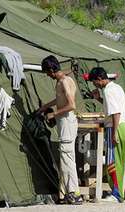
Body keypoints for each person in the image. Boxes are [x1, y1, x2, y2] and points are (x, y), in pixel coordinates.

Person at [38, 55, 82, 204]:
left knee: (68, 159)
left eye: (47, 72)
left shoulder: (64, 82)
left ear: (51, 69)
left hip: (67, 123)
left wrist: (53, 113)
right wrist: (44, 107)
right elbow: (60, 99)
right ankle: (64, 194)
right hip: (64, 123)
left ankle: (74, 193)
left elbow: (71, 105)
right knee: (64, 159)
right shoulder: (61, 81)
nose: (47, 75)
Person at [89, 67, 125, 203]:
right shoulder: (116, 87)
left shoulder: (107, 90)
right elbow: (113, 107)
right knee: (121, 161)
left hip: (115, 126)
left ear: (100, 79)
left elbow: (115, 112)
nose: (95, 85)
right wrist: (98, 98)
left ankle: (116, 194)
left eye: (95, 82)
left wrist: (113, 133)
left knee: (112, 162)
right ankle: (119, 192)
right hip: (124, 126)